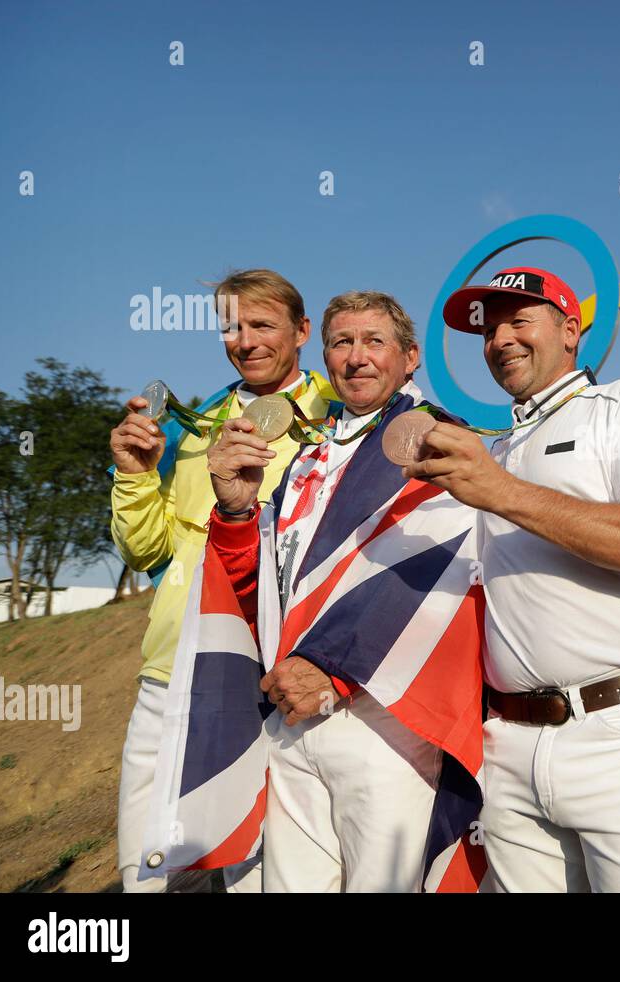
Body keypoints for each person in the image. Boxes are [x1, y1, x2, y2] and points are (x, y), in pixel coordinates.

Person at [414, 266, 620, 892]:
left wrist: (502, 491)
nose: (500, 340)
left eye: (519, 320)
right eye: (488, 330)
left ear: (570, 331)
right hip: (508, 744)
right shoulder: (495, 447)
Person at [204, 290, 483, 892]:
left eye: (374, 341)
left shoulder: (438, 441)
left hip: (383, 718)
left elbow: (437, 575)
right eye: (341, 343)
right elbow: (261, 592)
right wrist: (236, 512)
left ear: (410, 357)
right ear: (324, 356)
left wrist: (331, 671)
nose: (357, 357)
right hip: (289, 716)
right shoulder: (304, 460)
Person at [109, 268, 335, 893]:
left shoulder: (343, 418)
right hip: (171, 676)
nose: (246, 341)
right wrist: (133, 475)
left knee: (261, 876)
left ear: (302, 331)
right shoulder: (192, 426)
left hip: (278, 681)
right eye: (232, 327)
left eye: (262, 324)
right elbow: (146, 551)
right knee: (147, 874)